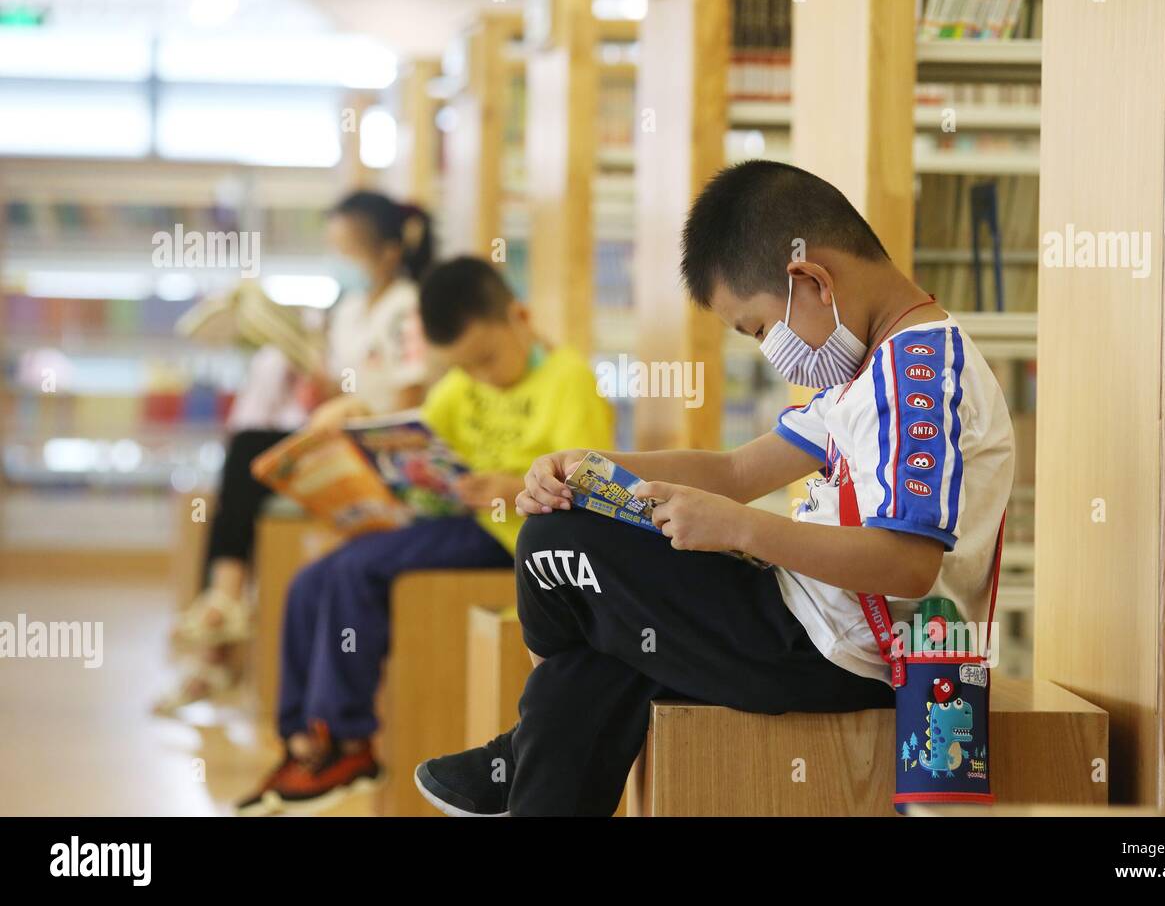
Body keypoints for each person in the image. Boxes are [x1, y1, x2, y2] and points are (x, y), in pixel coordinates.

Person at [413, 160, 1015, 816]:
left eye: (759, 330)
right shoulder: (867, 369)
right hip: (806, 621)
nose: (771, 352)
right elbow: (735, 472)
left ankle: (525, 751)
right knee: (591, 570)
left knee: (555, 544)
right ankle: (528, 758)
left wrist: (738, 528)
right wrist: (591, 465)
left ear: (810, 280)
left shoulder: (918, 379)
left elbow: (909, 565)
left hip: (844, 654)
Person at [236, 256, 614, 815]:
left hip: (514, 538)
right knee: (314, 577)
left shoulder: (568, 378)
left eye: (486, 358)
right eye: (466, 366)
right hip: (457, 522)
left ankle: (349, 741)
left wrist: (512, 486)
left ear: (521, 317)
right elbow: (421, 438)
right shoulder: (460, 384)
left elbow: (591, 486)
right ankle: (302, 739)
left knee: (354, 569)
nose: (481, 376)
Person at [156, 191, 438, 713]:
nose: (338, 262)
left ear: (387, 252)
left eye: (345, 249)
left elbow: (407, 405)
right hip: (335, 436)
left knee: (247, 457)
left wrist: (348, 408)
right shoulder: (349, 309)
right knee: (247, 456)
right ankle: (222, 612)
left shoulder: (409, 309)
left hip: (373, 451)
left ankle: (221, 617)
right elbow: (335, 388)